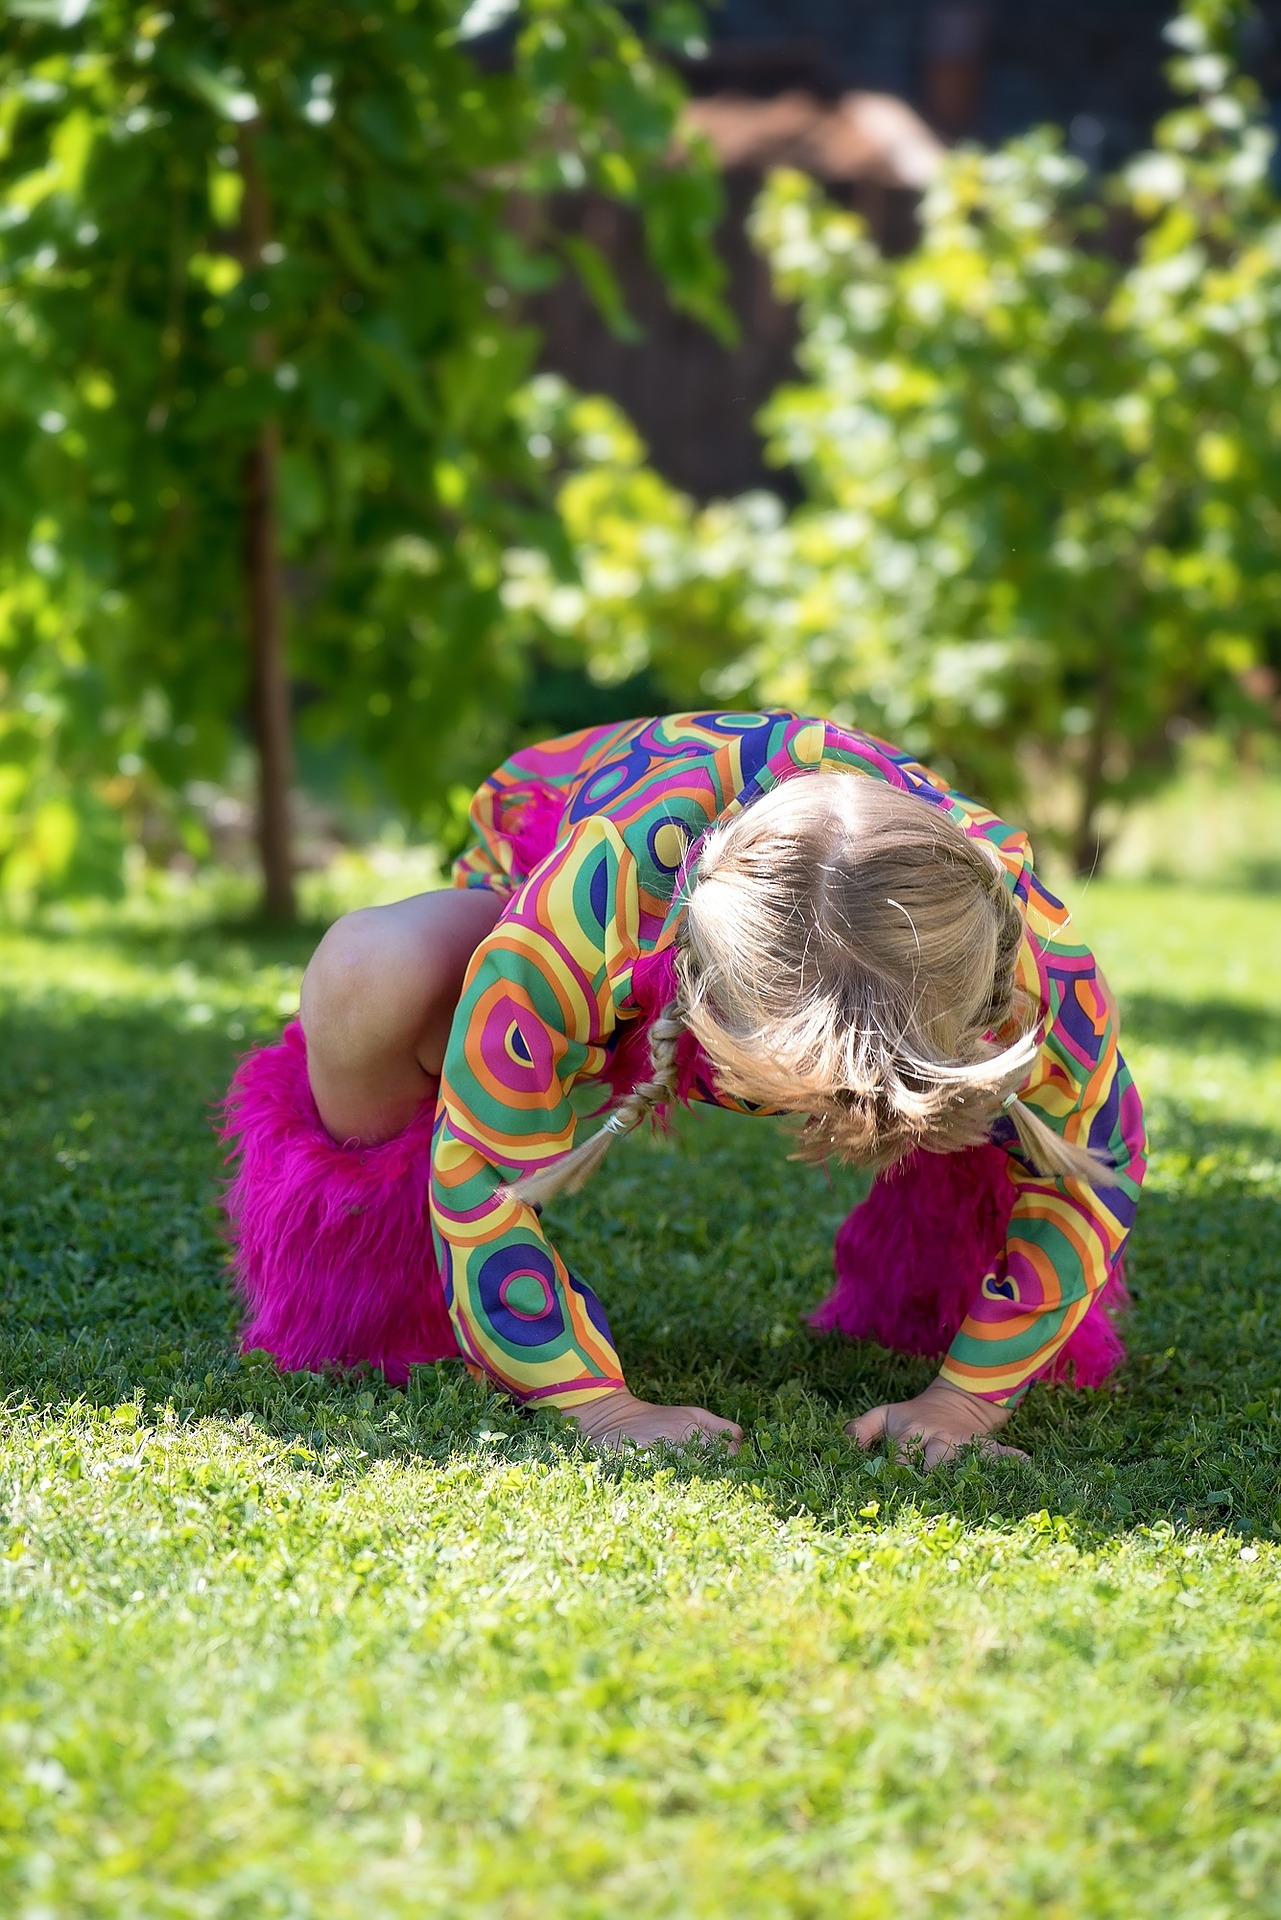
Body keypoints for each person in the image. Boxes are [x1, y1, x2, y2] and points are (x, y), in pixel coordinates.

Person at [222, 711, 1146, 1463]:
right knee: (367, 970)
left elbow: (1092, 1171)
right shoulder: (592, 913)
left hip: (880, 976)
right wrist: (603, 1409)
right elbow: (484, 1173)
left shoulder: (1025, 955)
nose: (810, 1121)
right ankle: (377, 1305)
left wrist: (964, 1403)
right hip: (575, 851)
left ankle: (927, 1290)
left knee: (1002, 1127)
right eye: (798, 1086)